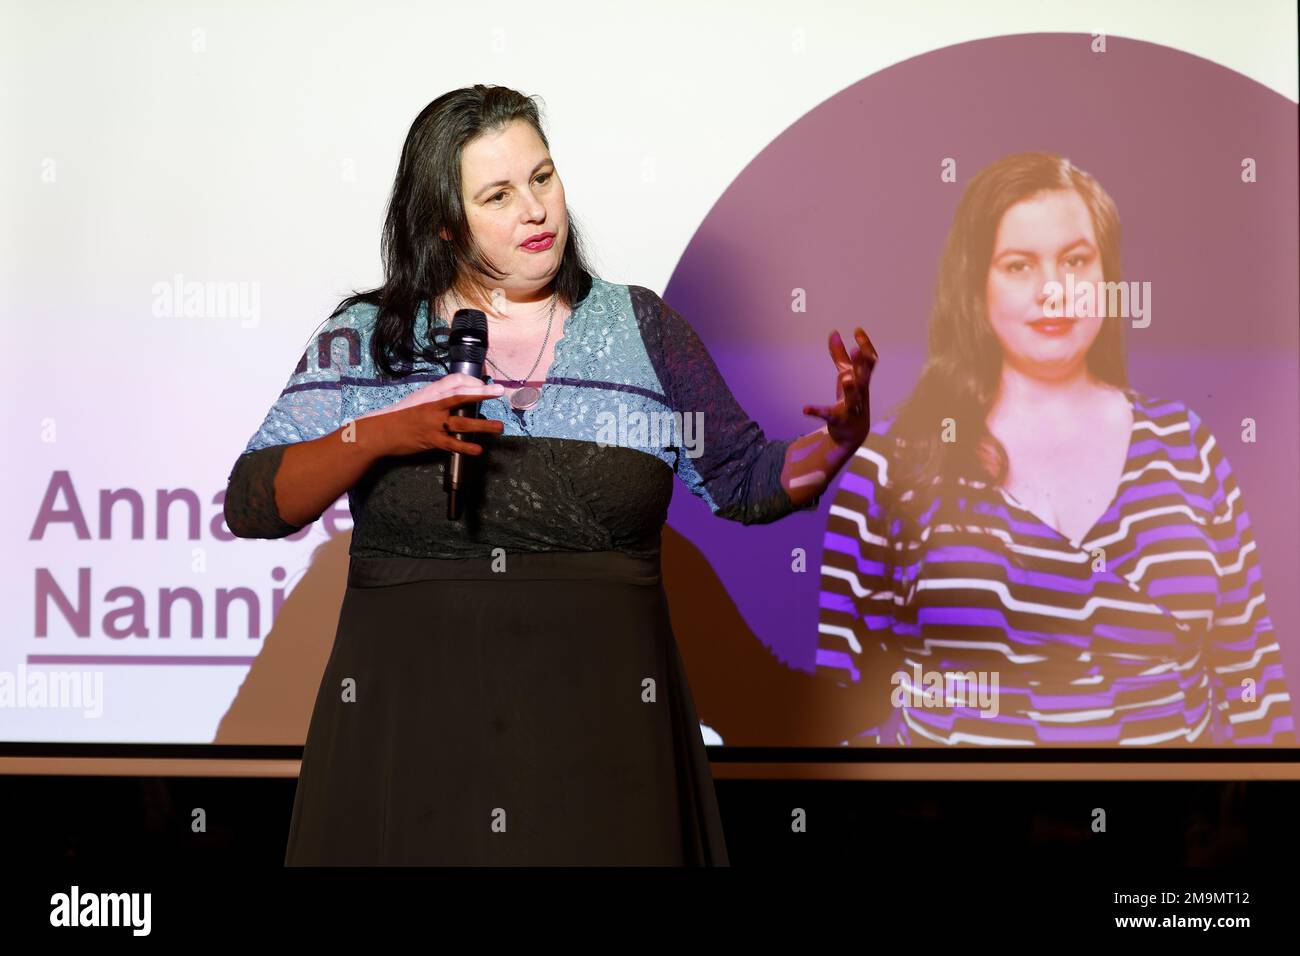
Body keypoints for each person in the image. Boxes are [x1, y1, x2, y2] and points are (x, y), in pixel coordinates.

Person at [223, 84, 878, 865]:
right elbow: (254, 501)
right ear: (442, 221)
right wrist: (381, 434)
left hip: (606, 758)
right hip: (413, 756)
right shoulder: (368, 340)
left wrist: (838, 441)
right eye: (496, 195)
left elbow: (743, 479)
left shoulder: (643, 329)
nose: (535, 210)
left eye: (542, 178)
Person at [816, 151, 1295, 747]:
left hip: (1174, 836)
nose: (1054, 291)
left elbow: (1253, 685)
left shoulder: (1187, 448)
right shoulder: (891, 467)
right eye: (1019, 266)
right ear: (975, 285)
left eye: (1075, 260)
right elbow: (845, 715)